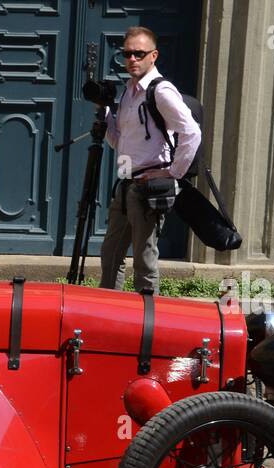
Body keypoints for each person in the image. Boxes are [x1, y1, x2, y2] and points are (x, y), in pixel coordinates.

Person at [98, 26, 200, 296]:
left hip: (149, 187)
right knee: (110, 254)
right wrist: (105, 114)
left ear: (153, 56)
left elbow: (191, 131)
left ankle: (147, 324)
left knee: (144, 260)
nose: (132, 59)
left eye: (139, 54)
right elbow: (120, 141)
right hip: (126, 183)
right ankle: (107, 311)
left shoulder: (161, 91)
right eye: (127, 54)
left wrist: (173, 173)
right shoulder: (129, 91)